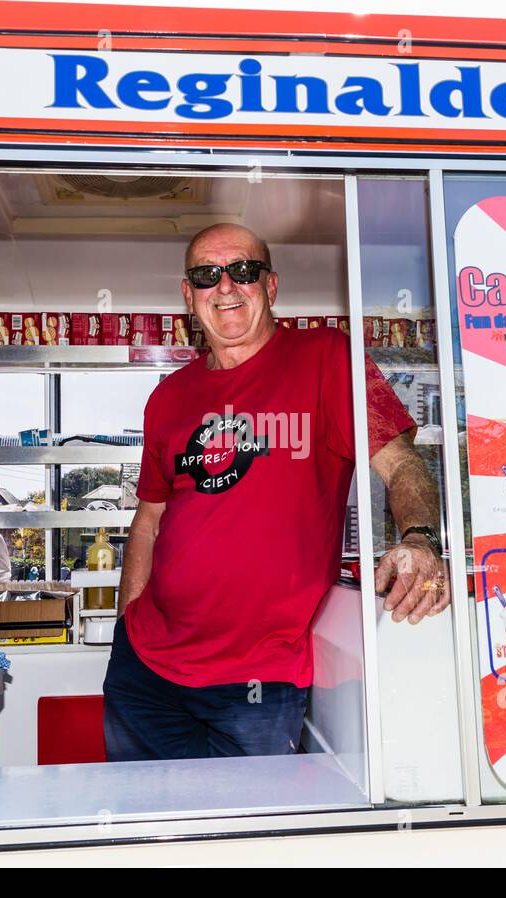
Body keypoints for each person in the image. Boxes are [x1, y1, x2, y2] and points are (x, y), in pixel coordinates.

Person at [104, 223, 450, 762]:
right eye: (206, 275)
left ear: (270, 287)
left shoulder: (325, 358)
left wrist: (422, 540)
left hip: (257, 683)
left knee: (248, 842)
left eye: (243, 271)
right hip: (146, 669)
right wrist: (127, 627)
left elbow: (402, 463)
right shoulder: (168, 398)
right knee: (145, 832)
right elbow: (148, 521)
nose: (225, 286)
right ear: (187, 294)